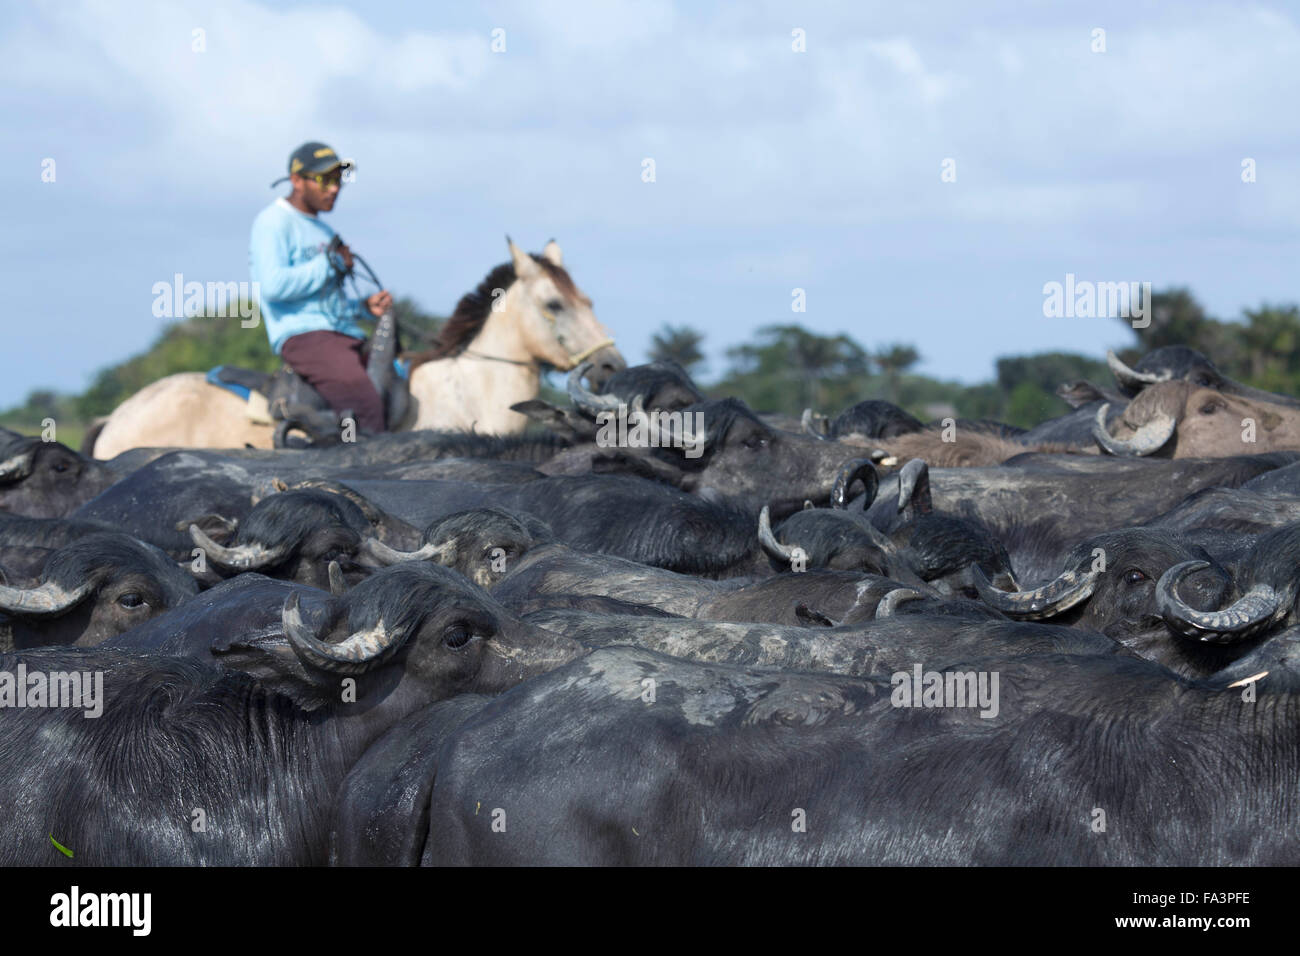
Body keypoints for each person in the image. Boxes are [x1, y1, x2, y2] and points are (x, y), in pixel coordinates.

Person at [249, 141, 393, 432]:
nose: (334, 189)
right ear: (296, 181)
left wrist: (364, 308)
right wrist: (330, 265)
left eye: (338, 180)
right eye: (324, 180)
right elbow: (273, 286)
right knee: (366, 407)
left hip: (341, 334)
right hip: (305, 337)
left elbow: (327, 303)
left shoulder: (326, 232)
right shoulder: (273, 222)